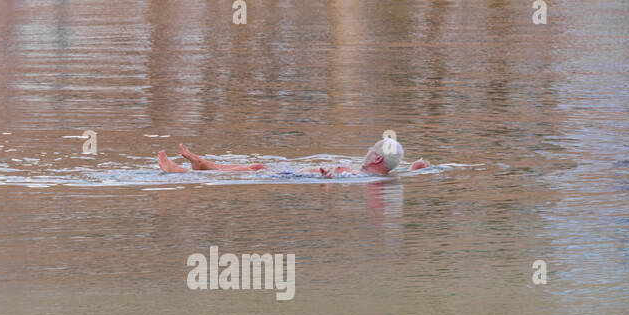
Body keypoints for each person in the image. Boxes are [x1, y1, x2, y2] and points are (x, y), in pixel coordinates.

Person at [156, 139, 428, 178]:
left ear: (377, 159)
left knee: (257, 168)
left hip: (299, 177)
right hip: (301, 173)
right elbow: (400, 174)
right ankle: (201, 165)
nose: (368, 150)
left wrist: (328, 177)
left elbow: (342, 180)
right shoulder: (386, 174)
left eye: (373, 150)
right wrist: (415, 167)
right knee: (256, 167)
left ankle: (190, 169)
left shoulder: (361, 176)